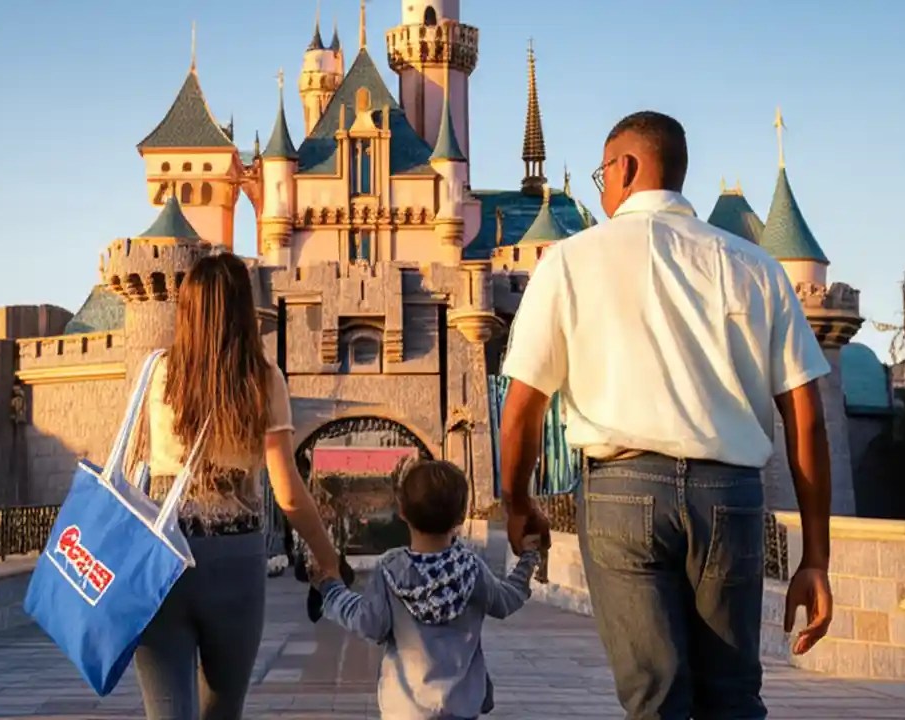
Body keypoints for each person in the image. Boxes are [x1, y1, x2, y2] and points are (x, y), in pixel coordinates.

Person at [497, 111, 834, 720]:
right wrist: (815, 557)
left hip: (624, 494)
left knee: (656, 700)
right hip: (730, 494)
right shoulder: (755, 266)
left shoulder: (569, 263)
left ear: (626, 168)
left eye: (603, 173)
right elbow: (805, 414)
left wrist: (517, 501)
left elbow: (523, 404)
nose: (601, 188)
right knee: (732, 698)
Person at [124, 251, 342, 720]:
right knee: (223, 712)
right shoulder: (262, 380)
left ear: (185, 310)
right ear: (244, 310)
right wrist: (326, 559)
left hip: (159, 559)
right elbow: (287, 493)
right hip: (235, 562)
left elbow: (137, 463)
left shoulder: (157, 372)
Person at [316, 459, 540, 720]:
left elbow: (368, 623)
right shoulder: (470, 568)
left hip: (404, 708)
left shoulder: (391, 569)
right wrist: (528, 558)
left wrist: (332, 591)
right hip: (461, 707)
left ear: (402, 511)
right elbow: (507, 600)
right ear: (460, 516)